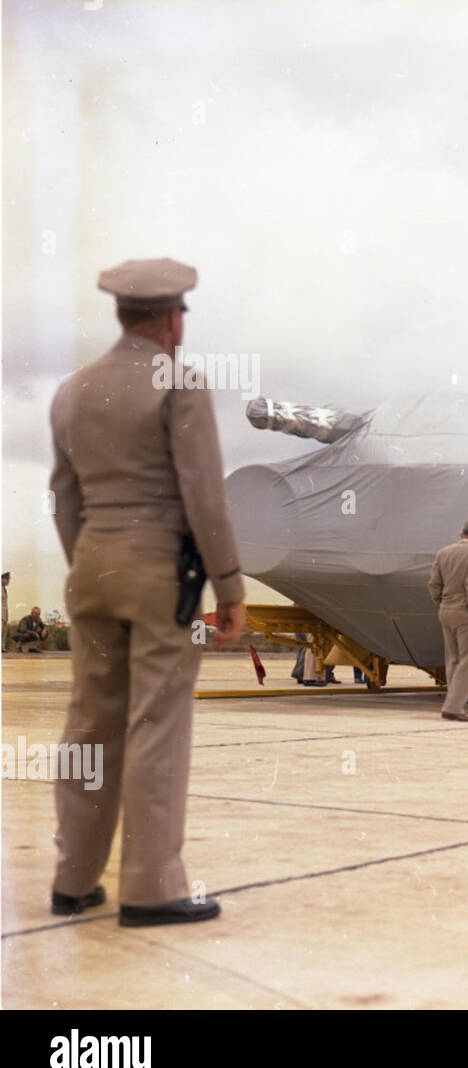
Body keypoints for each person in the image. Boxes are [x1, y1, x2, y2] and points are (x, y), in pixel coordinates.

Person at [49, 257, 244, 927]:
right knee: (157, 723)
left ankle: (72, 875)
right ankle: (152, 885)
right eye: (181, 313)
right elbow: (205, 497)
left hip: (92, 568)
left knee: (89, 722)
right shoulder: (179, 384)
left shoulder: (72, 391)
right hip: (160, 575)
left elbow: (63, 497)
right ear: (167, 317)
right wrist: (230, 584)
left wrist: (89, 561)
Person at [428, 519, 468, 722]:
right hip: (465, 612)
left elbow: (433, 584)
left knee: (452, 659)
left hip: (445, 610)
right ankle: (454, 707)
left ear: (461, 533)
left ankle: (450, 704)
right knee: (467, 661)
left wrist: (441, 602)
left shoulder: (443, 553)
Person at [2, 571, 9, 650]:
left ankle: (2, 647)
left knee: (4, 631)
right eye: (7, 579)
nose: (8, 581)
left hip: (4, 613)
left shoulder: (4, 589)